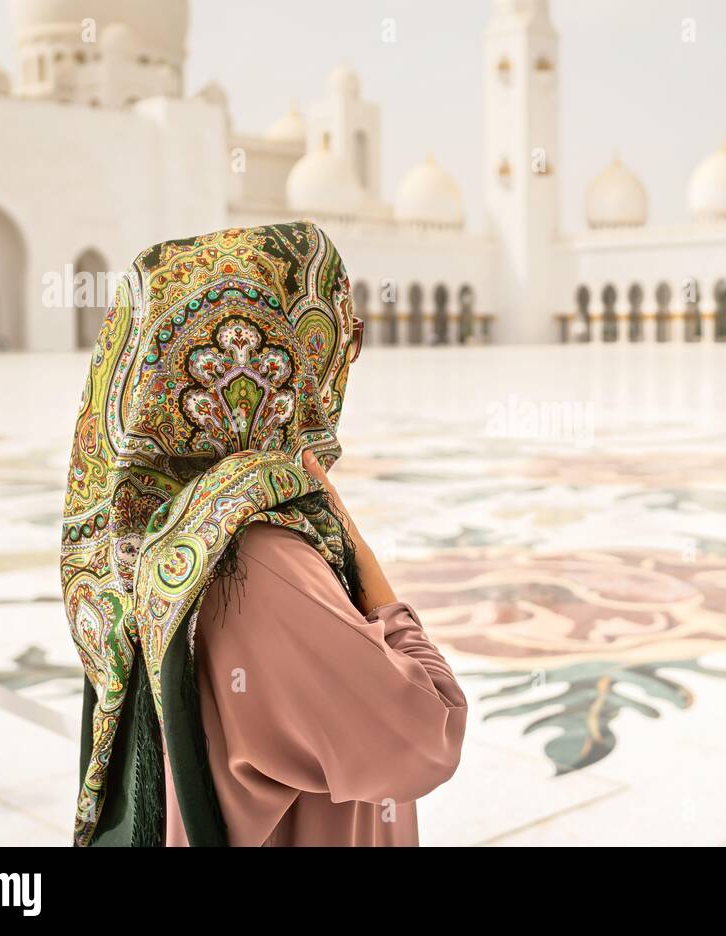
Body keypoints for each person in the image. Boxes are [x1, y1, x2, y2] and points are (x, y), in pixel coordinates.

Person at [60, 222, 466, 846]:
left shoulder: (153, 532)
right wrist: (361, 556)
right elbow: (427, 737)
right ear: (292, 353)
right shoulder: (262, 555)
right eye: (340, 334)